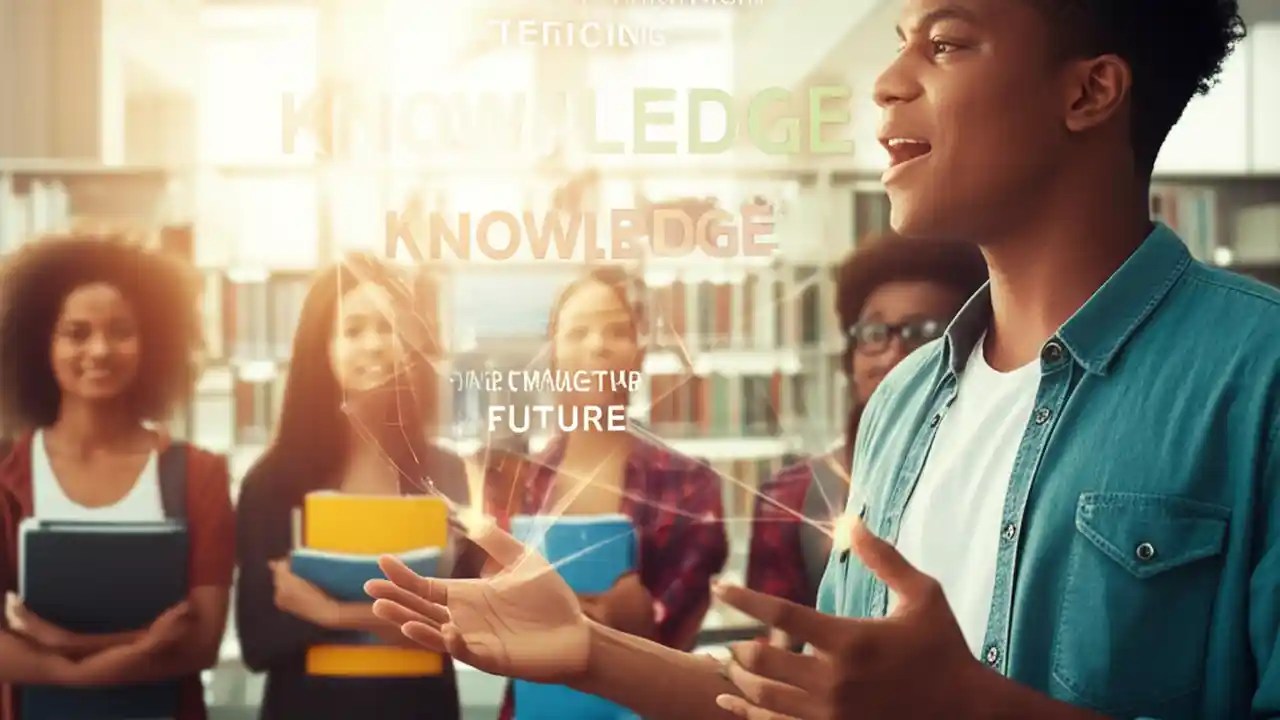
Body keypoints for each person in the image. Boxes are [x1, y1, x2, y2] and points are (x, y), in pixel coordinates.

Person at [368, 1, 1279, 718]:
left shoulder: (1260, 378)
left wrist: (976, 712)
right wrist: (591, 651)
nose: (887, 82)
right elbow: (808, 702)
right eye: (896, 42)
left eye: (946, 44)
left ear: (1088, 92)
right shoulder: (905, 406)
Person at [0, 236, 235, 720]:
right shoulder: (6, 476)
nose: (100, 350)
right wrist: (114, 659)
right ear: (42, 343)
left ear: (153, 342)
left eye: (121, 331)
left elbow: (201, 644)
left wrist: (61, 645)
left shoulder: (198, 476)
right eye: (76, 332)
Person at [234, 255, 472, 720]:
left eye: (388, 328)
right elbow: (260, 640)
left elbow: (466, 625)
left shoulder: (444, 473)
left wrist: (331, 614)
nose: (375, 345)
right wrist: (409, 614)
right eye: (354, 330)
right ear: (322, 348)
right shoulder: (272, 482)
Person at [486, 266, 728, 718]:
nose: (597, 345)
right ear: (553, 352)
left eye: (616, 330)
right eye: (578, 331)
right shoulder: (519, 483)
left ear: (639, 353)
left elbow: (679, 630)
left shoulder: (692, 486)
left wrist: (632, 620)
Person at [746, 234, 987, 609]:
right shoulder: (790, 498)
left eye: (922, 335)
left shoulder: (996, 478)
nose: (893, 355)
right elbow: (778, 636)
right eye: (875, 334)